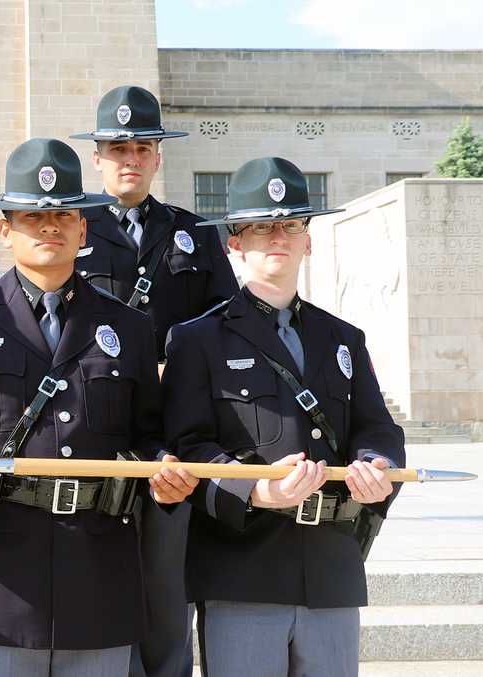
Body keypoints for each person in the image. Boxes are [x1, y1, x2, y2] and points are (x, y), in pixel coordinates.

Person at [0, 138, 198, 676]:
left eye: (64, 213)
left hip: (101, 568)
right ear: (4, 230)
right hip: (4, 571)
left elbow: (149, 432)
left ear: (84, 229)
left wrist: (163, 469)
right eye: (32, 215)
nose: (49, 226)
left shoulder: (128, 328)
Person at [162, 156, 405, 677]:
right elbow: (189, 444)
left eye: (292, 225)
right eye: (262, 227)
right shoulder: (196, 340)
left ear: (308, 240)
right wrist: (253, 491)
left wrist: (376, 466)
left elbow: (377, 428)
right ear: (234, 243)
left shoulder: (342, 338)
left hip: (331, 565)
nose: (278, 237)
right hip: (243, 565)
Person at [70, 85, 239, 677]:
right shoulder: (71, 226)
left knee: (168, 580)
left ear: (158, 156)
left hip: (173, 425)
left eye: (142, 146)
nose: (130, 158)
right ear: (97, 157)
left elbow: (228, 323)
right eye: (117, 148)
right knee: (99, 568)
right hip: (97, 426)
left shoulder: (193, 232)